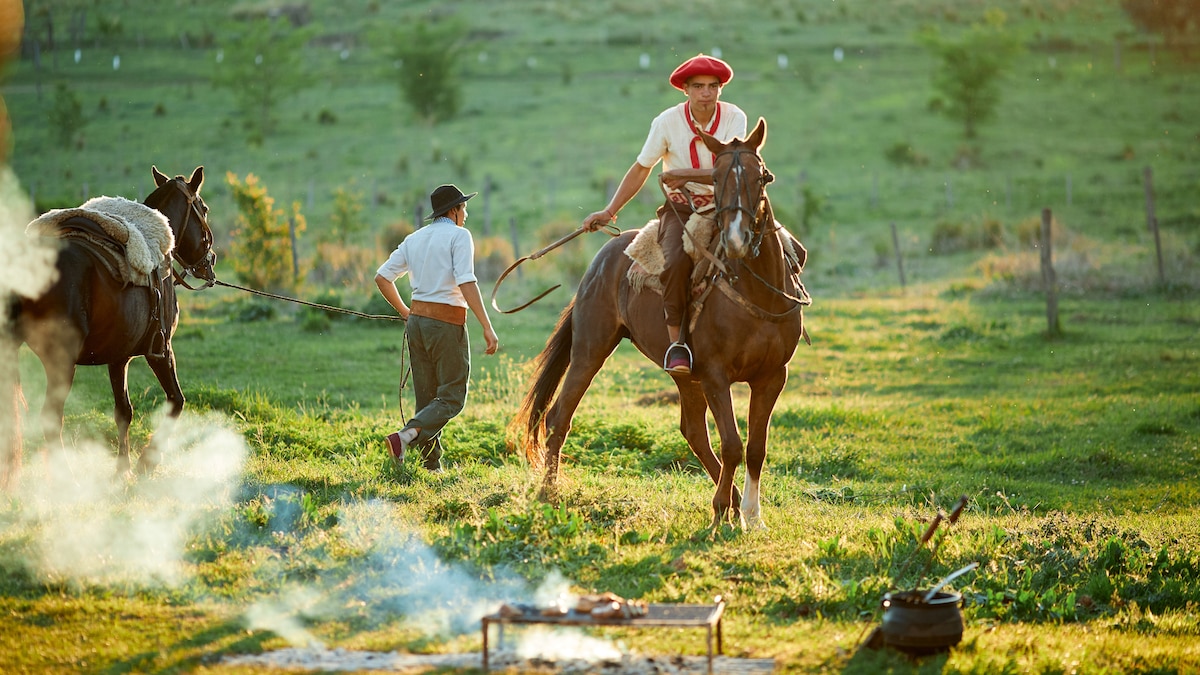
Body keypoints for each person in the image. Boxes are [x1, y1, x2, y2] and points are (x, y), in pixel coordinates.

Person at [582, 53, 747, 375]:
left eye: (713, 86)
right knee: (676, 263)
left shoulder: (734, 118)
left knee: (785, 248)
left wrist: (684, 174)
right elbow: (643, 166)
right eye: (698, 86)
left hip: (729, 204)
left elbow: (731, 167)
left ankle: (782, 319)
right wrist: (610, 210)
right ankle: (678, 344)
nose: (706, 93)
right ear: (685, 89)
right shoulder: (667, 122)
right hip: (682, 208)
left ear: (721, 89)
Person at [375, 184, 499, 472]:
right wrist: (487, 326)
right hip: (446, 323)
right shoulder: (459, 236)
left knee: (428, 396)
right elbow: (466, 281)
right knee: (453, 396)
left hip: (417, 323)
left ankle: (431, 465)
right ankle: (405, 436)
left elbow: (382, 277)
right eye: (464, 208)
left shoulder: (415, 238)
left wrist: (407, 313)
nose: (466, 214)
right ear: (454, 210)